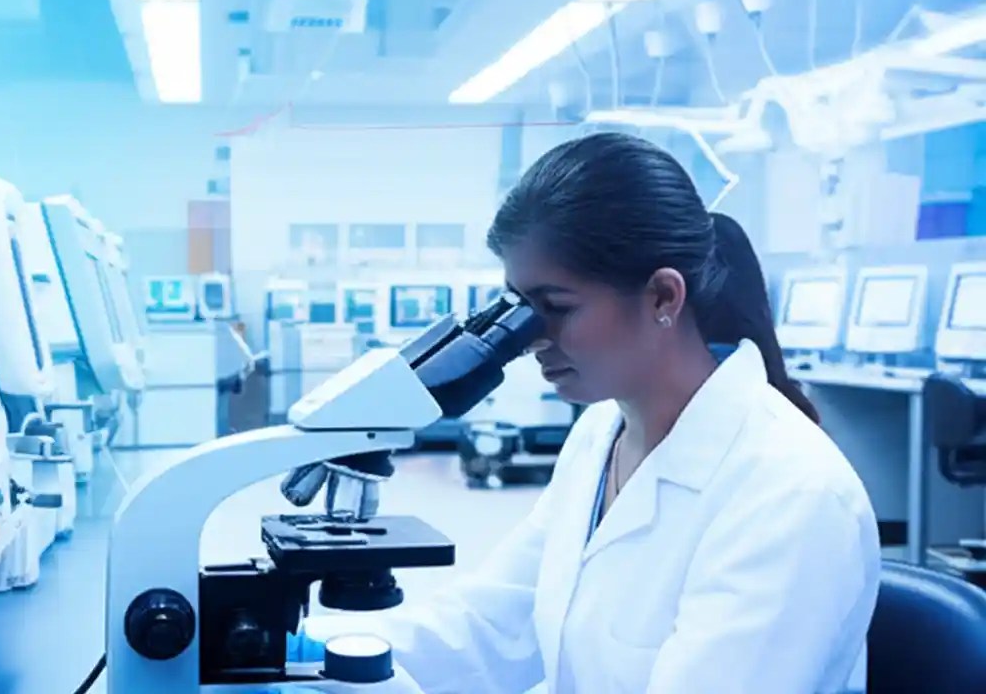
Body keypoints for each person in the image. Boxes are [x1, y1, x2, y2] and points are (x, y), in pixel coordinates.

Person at [302, 132, 881, 694]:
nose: (530, 339)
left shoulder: (790, 496)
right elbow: (493, 624)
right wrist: (301, 653)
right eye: (518, 308)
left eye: (554, 306)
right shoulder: (603, 436)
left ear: (662, 297)